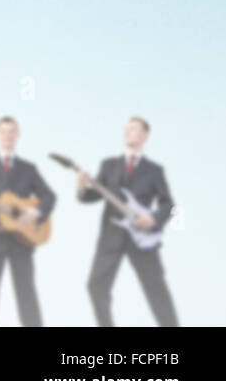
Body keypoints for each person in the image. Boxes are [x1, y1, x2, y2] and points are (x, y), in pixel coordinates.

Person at [76, 116, 178, 326]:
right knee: (96, 286)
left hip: (142, 238)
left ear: (145, 135)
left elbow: (169, 205)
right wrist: (80, 187)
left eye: (134, 129)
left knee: (156, 289)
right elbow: (92, 197)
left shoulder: (154, 170)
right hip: (111, 237)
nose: (129, 132)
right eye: (127, 128)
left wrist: (153, 219)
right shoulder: (109, 165)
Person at [0, 115, 56, 326]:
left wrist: (36, 213)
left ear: (17, 135)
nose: (7, 135)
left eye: (12, 131)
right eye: (3, 131)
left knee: (27, 294)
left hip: (22, 241)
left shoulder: (29, 168)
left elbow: (49, 196)